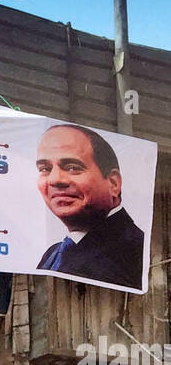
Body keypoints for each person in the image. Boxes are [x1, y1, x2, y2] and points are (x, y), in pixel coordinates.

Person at [35, 124, 145, 290]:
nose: (54, 180)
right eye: (45, 169)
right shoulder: (51, 254)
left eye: (72, 167)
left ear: (113, 183)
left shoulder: (136, 253)